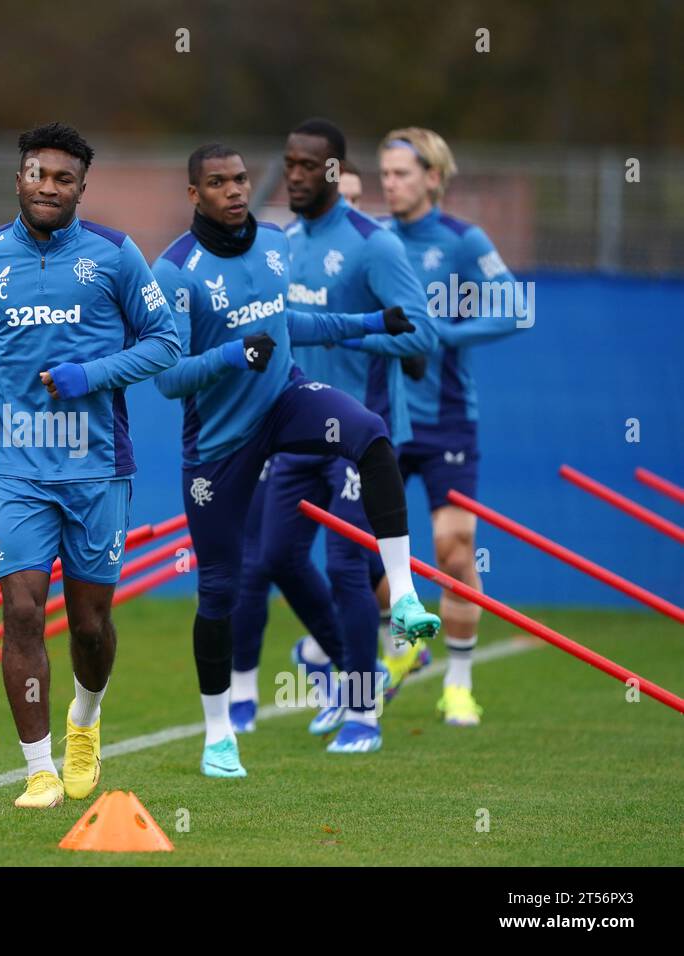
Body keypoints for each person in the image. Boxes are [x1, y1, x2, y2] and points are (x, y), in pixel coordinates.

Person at [151, 141, 437, 771]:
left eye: (242, 179)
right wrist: (231, 355)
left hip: (284, 401)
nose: (234, 190)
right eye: (218, 182)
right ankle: (219, 732)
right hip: (219, 443)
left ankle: (408, 597)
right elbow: (167, 378)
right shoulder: (173, 271)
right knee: (221, 588)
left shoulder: (274, 242)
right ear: (193, 194)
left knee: (369, 434)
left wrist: (371, 322)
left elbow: (292, 324)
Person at [0, 122, 181, 808]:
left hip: (98, 467)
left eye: (63, 178)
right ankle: (38, 767)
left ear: (82, 187)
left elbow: (165, 342)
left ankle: (85, 718)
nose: (49, 186)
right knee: (20, 611)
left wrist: (93, 375)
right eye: (37, 174)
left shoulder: (115, 255)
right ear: (18, 178)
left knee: (89, 625)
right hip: (13, 461)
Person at [228, 120, 443, 754]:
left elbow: (422, 336)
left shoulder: (375, 246)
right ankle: (353, 665)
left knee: (349, 565)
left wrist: (340, 329)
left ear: (332, 172)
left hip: (362, 433)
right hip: (297, 431)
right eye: (287, 163)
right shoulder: (282, 244)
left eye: (305, 166)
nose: (291, 175)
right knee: (273, 557)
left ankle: (361, 711)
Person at [375, 127, 529, 725]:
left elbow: (518, 308)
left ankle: (458, 683)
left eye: (402, 174)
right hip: (383, 418)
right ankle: (406, 646)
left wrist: (444, 333)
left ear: (433, 178)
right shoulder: (375, 239)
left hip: (448, 423)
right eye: (384, 174)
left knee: (454, 545)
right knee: (367, 554)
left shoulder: (464, 242)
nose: (390, 184)